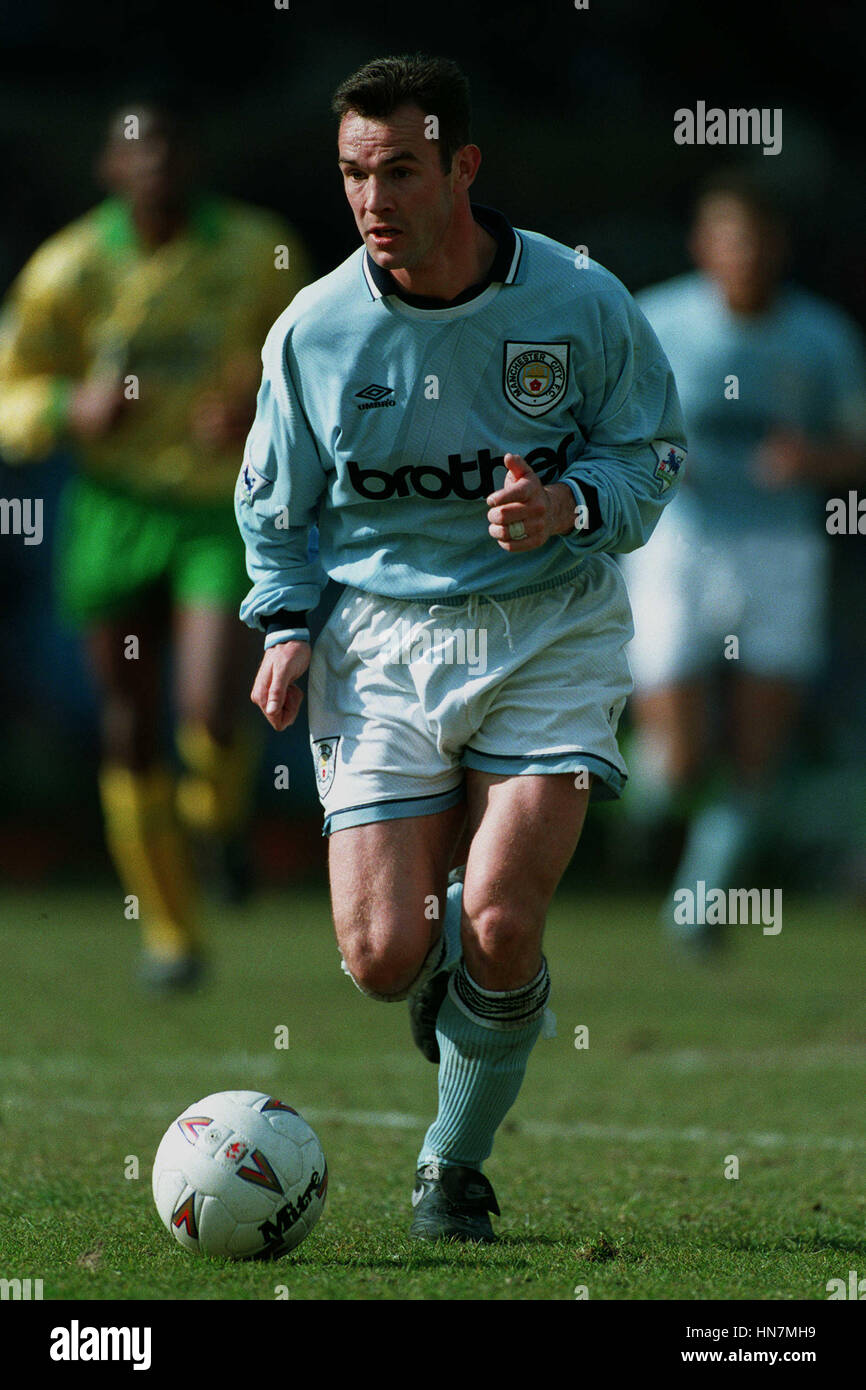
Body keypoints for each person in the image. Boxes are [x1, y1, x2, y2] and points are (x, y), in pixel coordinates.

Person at [236, 53, 686, 1242]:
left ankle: (454, 1164)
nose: (372, 200)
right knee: (386, 958)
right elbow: (275, 508)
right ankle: (452, 982)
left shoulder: (579, 302)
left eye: (399, 171)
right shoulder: (315, 330)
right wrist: (285, 627)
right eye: (351, 174)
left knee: (496, 916)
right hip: (379, 646)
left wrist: (568, 506)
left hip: (547, 625)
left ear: (462, 168)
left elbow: (649, 454)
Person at [0, 103, 312, 988]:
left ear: (196, 158)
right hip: (114, 509)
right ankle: (173, 935)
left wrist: (266, 409)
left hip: (221, 508)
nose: (158, 162)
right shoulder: (68, 268)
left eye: (174, 144)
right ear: (108, 165)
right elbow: (10, 388)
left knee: (212, 701)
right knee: (129, 725)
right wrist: (68, 410)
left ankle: (217, 820)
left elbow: (324, 355)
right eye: (139, 147)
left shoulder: (260, 251)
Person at [621, 172, 866, 950]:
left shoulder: (822, 337)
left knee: (760, 749)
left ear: (779, 247)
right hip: (681, 542)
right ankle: (649, 785)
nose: (747, 255)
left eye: (760, 239)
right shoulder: (657, 320)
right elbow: (605, 429)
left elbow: (855, 445)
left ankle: (698, 904)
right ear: (704, 245)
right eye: (732, 237)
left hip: (779, 548)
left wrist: (815, 459)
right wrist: (659, 460)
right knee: (686, 761)